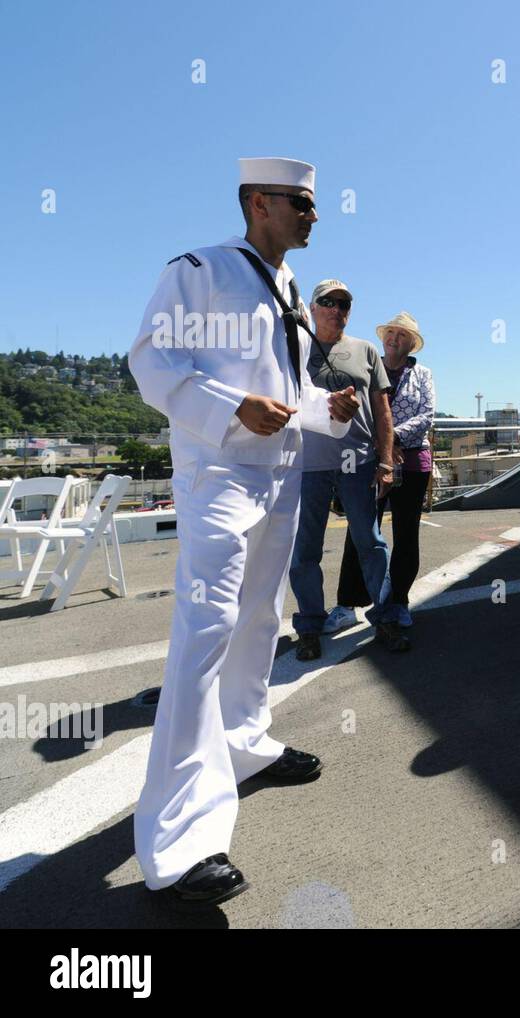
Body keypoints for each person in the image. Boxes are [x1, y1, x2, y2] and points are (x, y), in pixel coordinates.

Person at [129, 157, 361, 907]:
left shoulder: (289, 288)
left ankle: (246, 745)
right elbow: (150, 361)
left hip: (280, 474)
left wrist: (329, 407)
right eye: (301, 203)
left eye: (314, 205)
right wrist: (232, 407)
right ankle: (180, 841)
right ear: (259, 203)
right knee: (206, 633)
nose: (313, 215)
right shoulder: (198, 269)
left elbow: (286, 393)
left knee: (263, 619)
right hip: (221, 475)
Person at [289, 282, 409, 658]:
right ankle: (310, 624)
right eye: (328, 302)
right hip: (308, 464)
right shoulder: (295, 348)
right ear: (313, 306)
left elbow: (383, 409)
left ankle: (386, 617)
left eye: (344, 304)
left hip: (358, 461)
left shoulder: (366, 351)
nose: (337, 309)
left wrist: (386, 461)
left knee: (370, 542)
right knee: (306, 548)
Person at [335, 312, 438, 629]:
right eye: (391, 333)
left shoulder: (423, 375)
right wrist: (382, 444)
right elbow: (357, 412)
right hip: (372, 460)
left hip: (413, 461)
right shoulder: (365, 371)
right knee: (361, 530)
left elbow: (427, 415)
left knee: (407, 534)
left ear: (412, 343)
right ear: (383, 337)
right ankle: (348, 603)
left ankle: (398, 602)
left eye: (402, 335)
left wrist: (392, 439)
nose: (395, 338)